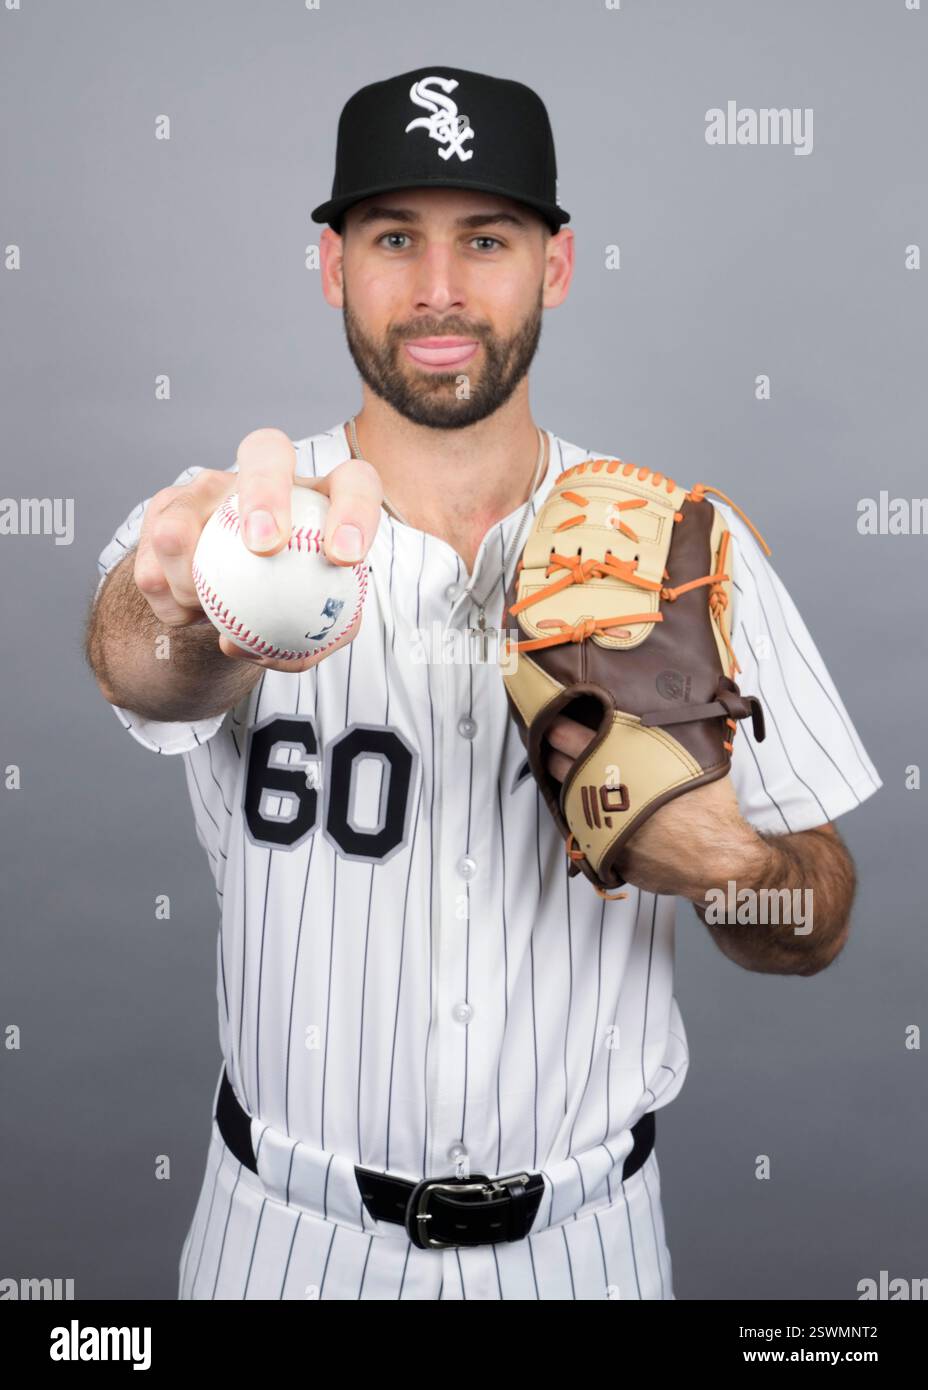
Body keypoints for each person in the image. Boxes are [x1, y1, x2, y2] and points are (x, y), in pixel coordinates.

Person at [84, 65, 882, 1300]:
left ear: (555, 266)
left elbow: (817, 920)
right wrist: (194, 611)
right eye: (394, 237)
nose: (440, 290)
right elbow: (142, 664)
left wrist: (736, 870)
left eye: (487, 239)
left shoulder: (679, 543)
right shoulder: (239, 525)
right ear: (332, 266)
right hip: (286, 1247)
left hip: (587, 1248)